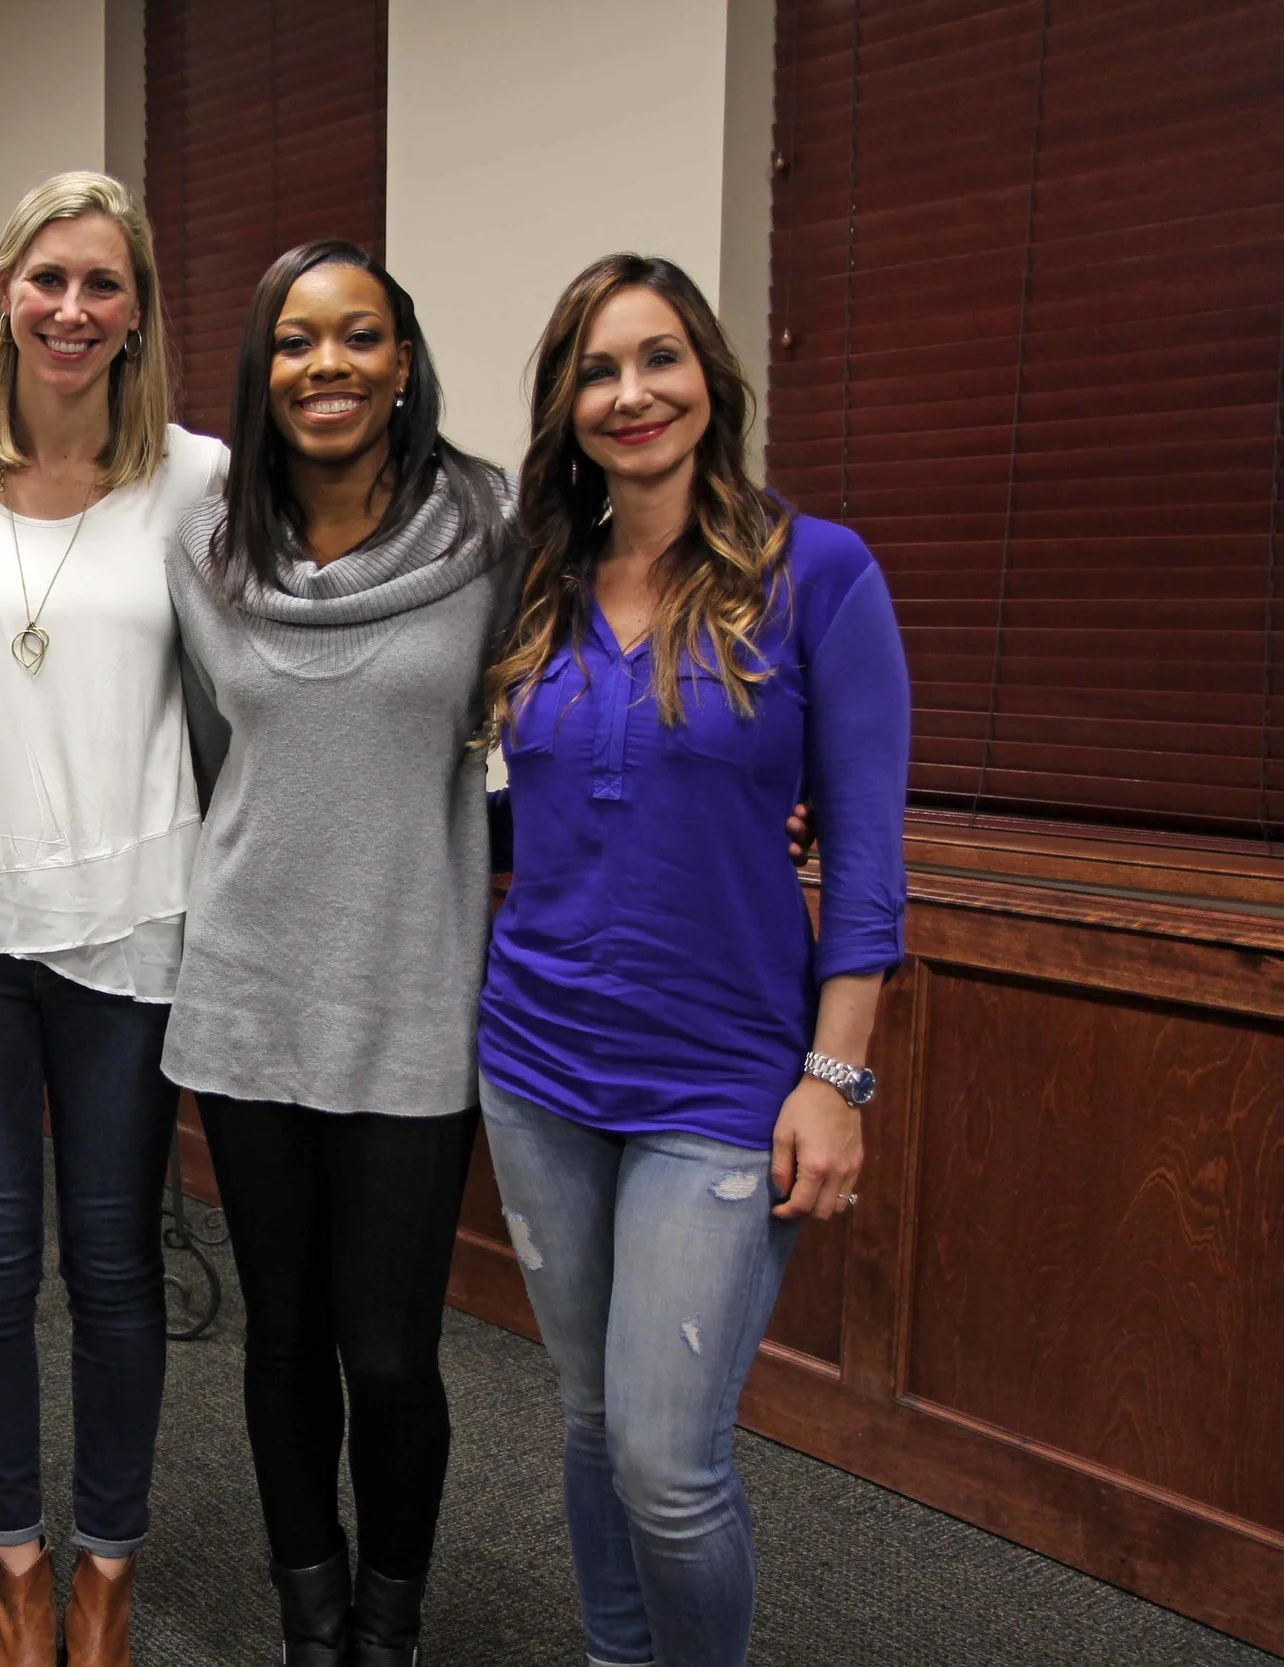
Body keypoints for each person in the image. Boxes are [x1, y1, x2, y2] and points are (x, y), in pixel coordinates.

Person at [476, 253, 909, 1667]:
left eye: (658, 358)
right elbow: (531, 804)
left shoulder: (816, 575)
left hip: (721, 1080)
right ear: (567, 407)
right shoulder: (539, 583)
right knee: (591, 1420)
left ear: (711, 379)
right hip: (538, 1066)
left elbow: (866, 853)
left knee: (668, 1461)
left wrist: (836, 1077)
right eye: (597, 371)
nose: (632, 393)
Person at [0, 170, 225, 1667]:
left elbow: (248, 677)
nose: (72, 310)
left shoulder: (197, 477)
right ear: (4, 292)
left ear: (138, 310)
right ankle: (16, 1564)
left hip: (129, 912)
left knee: (117, 1262)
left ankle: (108, 1570)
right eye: (47, 280)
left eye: (102, 284)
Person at [163, 240, 519, 1667]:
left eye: (360, 336)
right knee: (284, 1337)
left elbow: (568, 707)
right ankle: (311, 1618)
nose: (329, 365)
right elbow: (208, 756)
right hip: (248, 989)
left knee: (391, 1351)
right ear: (262, 372)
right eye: (297, 341)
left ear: (403, 362)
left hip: (412, 987)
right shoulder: (207, 550)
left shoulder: (490, 529)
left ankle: (390, 1624)